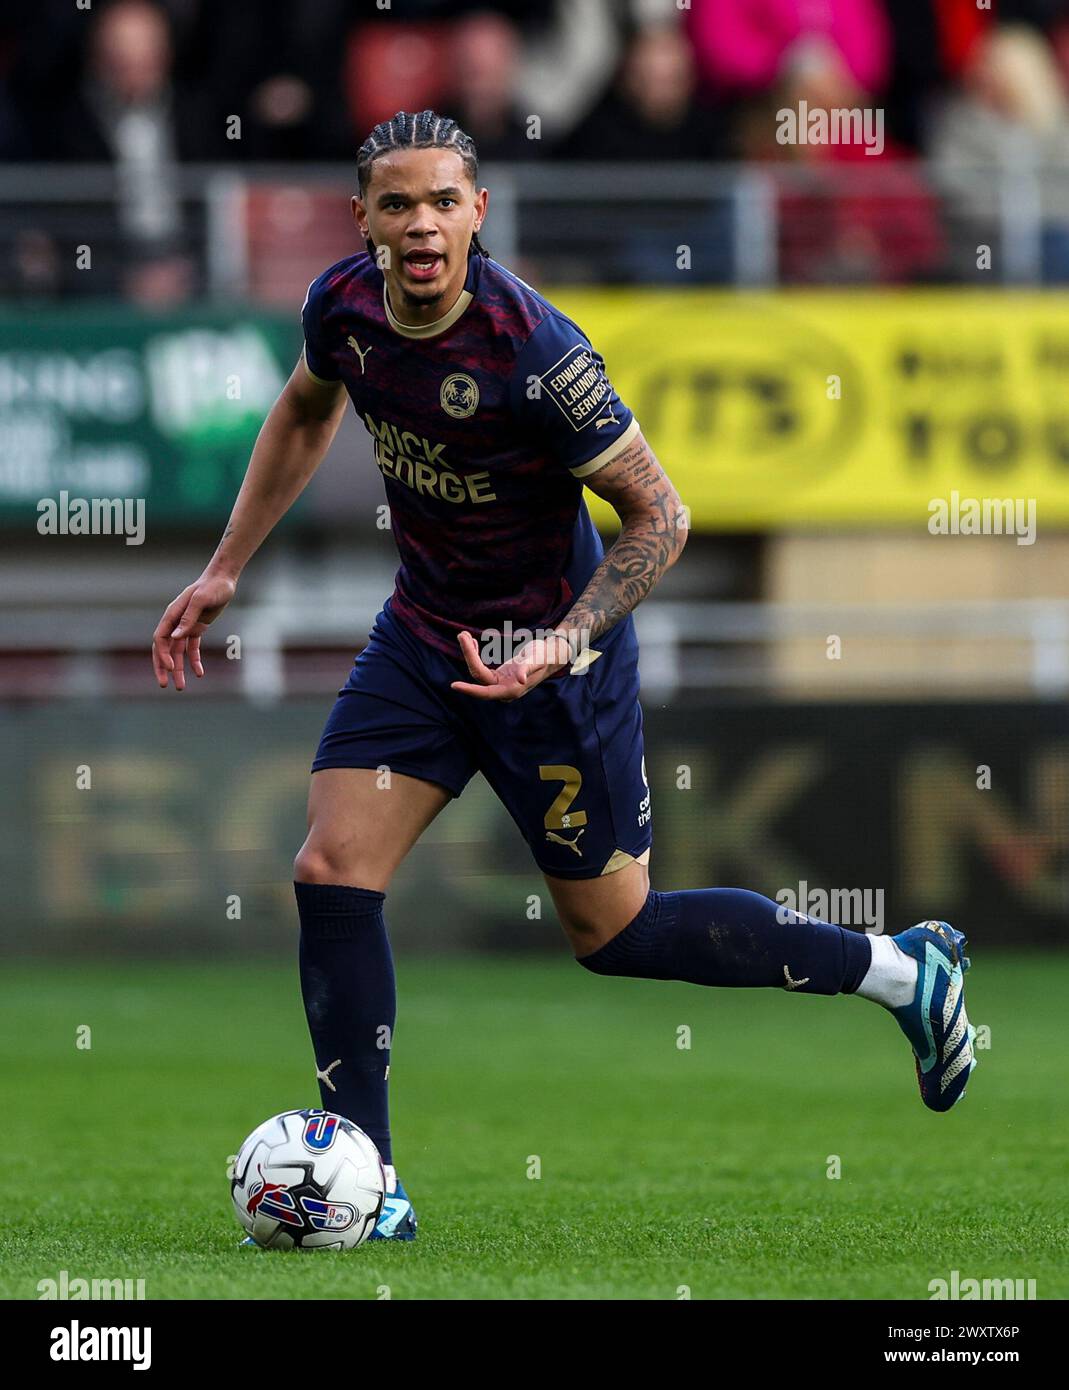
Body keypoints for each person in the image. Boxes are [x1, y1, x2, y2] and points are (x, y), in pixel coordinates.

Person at [151, 110, 977, 1243]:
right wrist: (224, 567)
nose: (422, 225)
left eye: (444, 202)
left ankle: (898, 972)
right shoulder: (341, 306)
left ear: (478, 212)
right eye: (398, 205)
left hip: (555, 658)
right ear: (366, 221)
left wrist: (561, 637)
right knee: (330, 865)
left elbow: (661, 515)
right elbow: (302, 409)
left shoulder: (534, 348)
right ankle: (370, 1175)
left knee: (616, 933)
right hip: (426, 635)